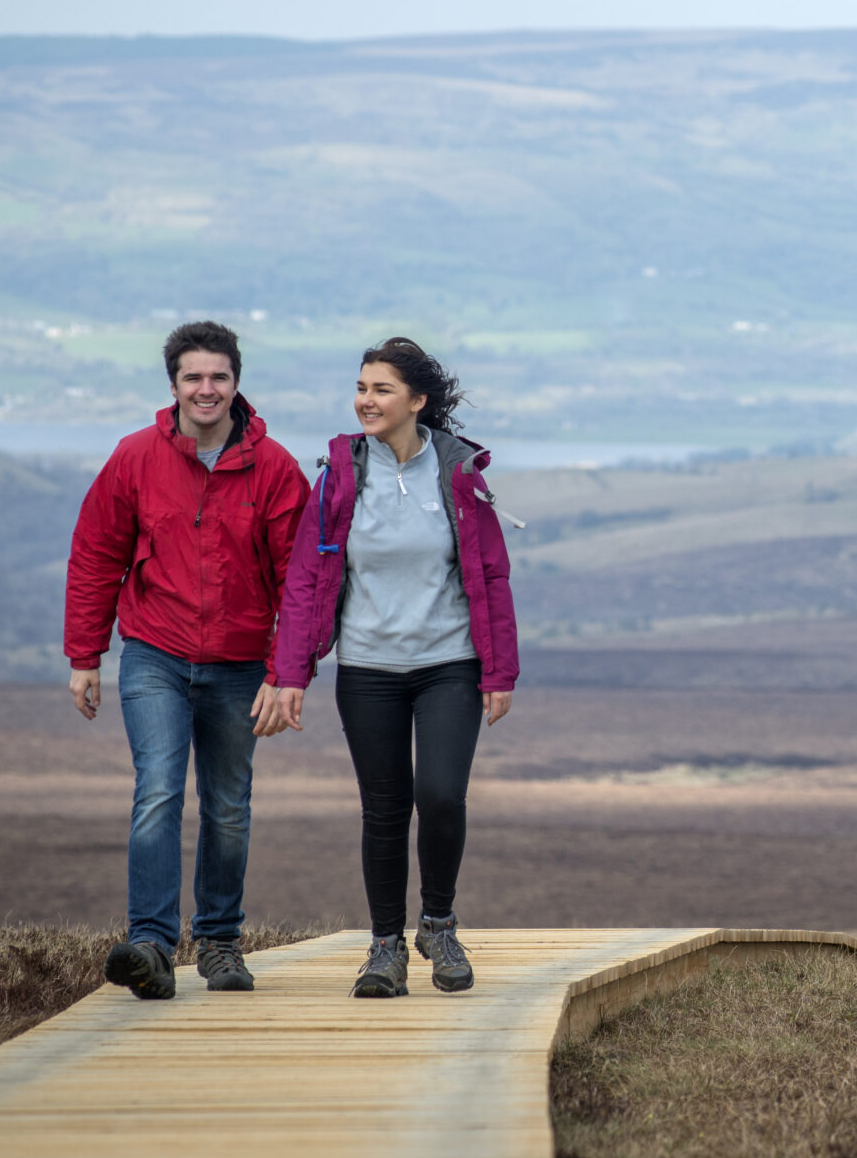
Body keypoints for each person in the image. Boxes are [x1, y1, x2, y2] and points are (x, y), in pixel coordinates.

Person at [261, 338, 518, 997]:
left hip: (449, 664)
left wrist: (499, 672)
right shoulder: (342, 475)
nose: (365, 400)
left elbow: (490, 571)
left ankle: (437, 921)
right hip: (368, 667)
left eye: (380, 389)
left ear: (417, 401)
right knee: (383, 807)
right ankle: (384, 947)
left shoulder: (458, 475)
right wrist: (291, 672)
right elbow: (306, 578)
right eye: (361, 387)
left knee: (439, 795)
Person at [66, 320, 309, 1000]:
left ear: (236, 383)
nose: (207, 388)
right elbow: (95, 555)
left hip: (240, 665)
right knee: (159, 791)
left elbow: (301, 581)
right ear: (173, 384)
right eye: (193, 377)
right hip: (155, 656)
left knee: (228, 804)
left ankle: (221, 942)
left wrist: (286, 671)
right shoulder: (135, 457)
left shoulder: (276, 468)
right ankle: (149, 942)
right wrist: (86, 656)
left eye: (219, 376)